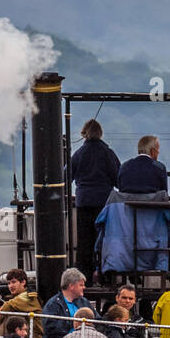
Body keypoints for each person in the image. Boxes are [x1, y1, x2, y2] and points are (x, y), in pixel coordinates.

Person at [69, 119, 121, 278]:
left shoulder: (79, 154)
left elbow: (66, 176)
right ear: (100, 134)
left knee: (85, 242)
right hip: (104, 203)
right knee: (105, 240)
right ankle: (106, 276)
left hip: (84, 202)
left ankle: (83, 278)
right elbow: (118, 178)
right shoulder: (108, 153)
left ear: (84, 134)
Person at [38, 268, 95, 338]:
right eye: (81, 285)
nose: (84, 287)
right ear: (71, 286)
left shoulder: (84, 302)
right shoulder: (53, 304)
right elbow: (49, 327)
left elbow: (98, 320)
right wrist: (74, 323)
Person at [0, 268, 43, 338]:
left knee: (10, 317)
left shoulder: (27, 297)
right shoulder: (22, 296)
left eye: (13, 282)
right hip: (30, 336)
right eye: (9, 283)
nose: (10, 286)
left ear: (23, 282)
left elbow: (8, 305)